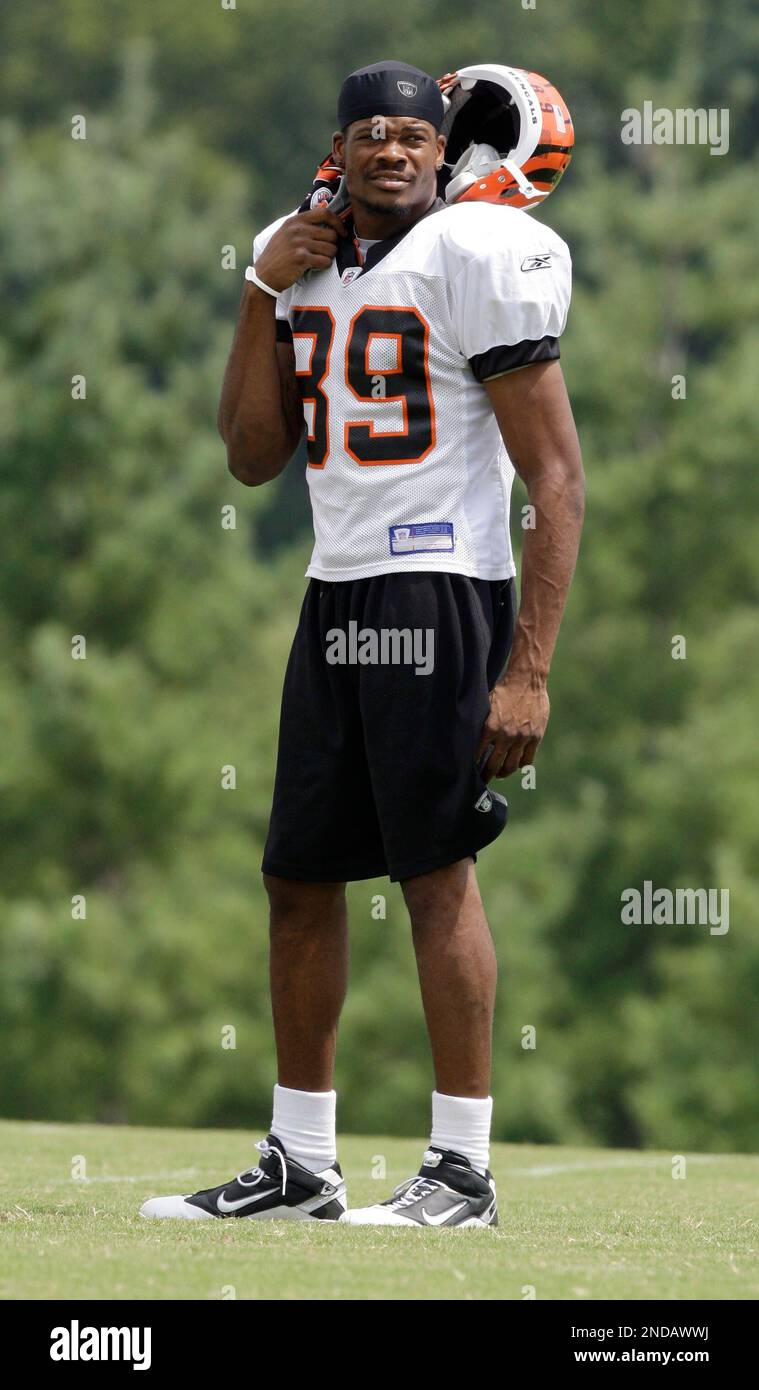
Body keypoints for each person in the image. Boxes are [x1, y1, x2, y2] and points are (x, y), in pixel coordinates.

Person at [140, 59, 584, 1229]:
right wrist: (257, 289)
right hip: (335, 589)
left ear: (445, 154)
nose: (391, 150)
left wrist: (528, 666)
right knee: (297, 878)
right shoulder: (298, 256)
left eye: (412, 136)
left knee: (437, 874)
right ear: (339, 149)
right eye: (369, 133)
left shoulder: (479, 254)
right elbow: (249, 456)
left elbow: (556, 476)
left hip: (441, 588)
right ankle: (301, 1160)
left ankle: (462, 1172)